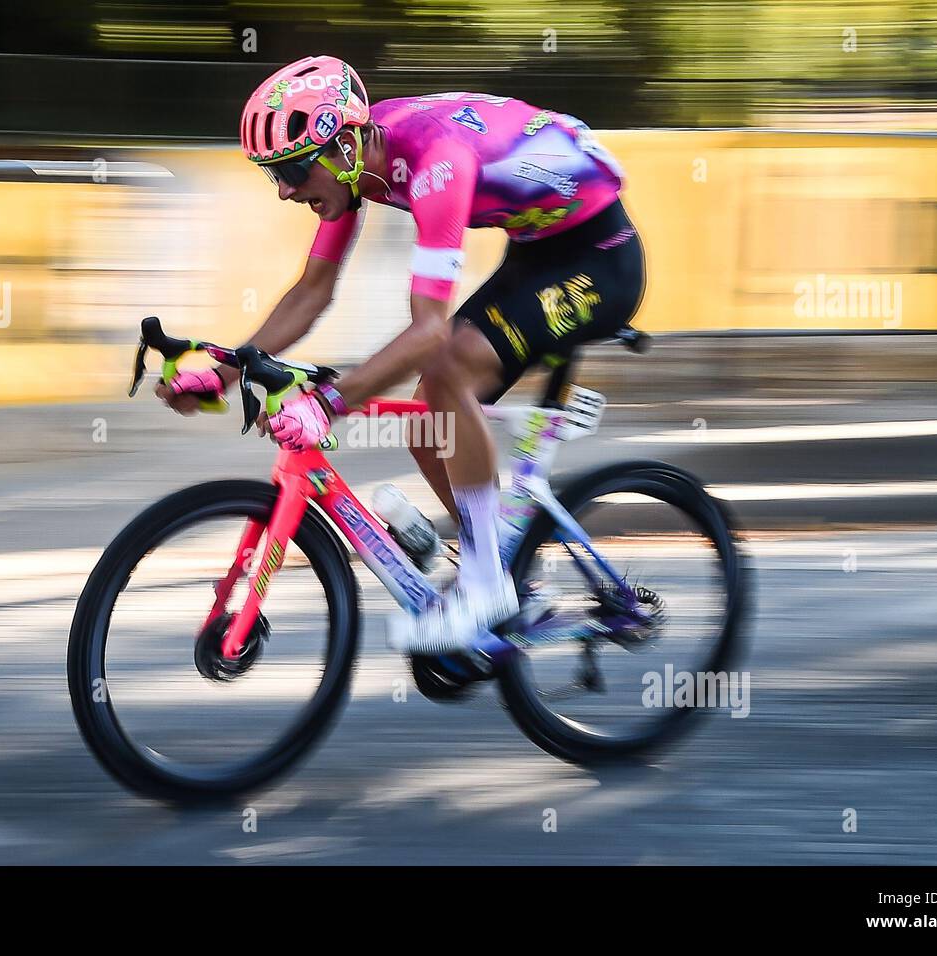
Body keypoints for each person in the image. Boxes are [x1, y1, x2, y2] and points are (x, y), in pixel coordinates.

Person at [157, 54, 646, 655]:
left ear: (342, 146)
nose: (285, 191)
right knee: (428, 422)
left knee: (445, 371)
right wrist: (227, 370)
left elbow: (429, 331)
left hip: (601, 258)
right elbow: (313, 292)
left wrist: (329, 404)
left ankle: (488, 586)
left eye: (292, 169)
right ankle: (513, 580)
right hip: (538, 249)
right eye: (272, 175)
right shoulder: (359, 162)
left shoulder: (435, 160)